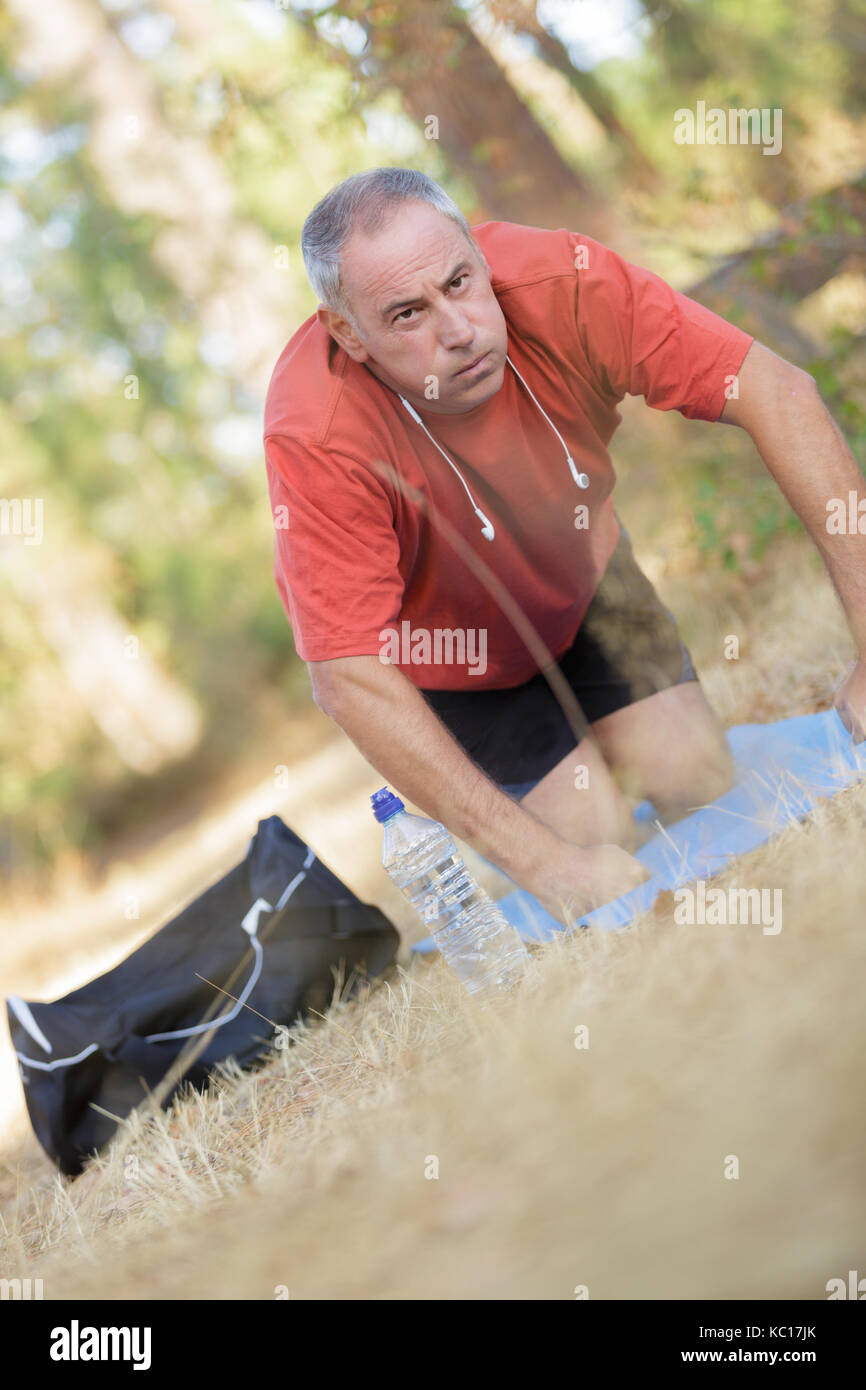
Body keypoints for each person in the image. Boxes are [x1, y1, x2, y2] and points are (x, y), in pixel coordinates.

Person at [263, 167, 866, 925]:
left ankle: (634, 754)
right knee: (595, 842)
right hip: (458, 665)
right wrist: (546, 865)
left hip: (586, 584)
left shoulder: (563, 280)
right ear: (348, 334)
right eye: (408, 314)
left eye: (460, 282)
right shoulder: (315, 430)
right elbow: (347, 677)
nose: (458, 331)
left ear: (478, 255)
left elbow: (777, 393)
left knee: (698, 782)